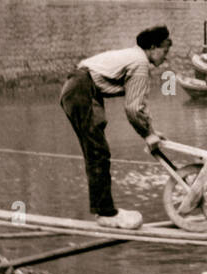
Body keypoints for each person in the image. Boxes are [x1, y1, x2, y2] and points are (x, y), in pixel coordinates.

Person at [59, 26, 173, 229]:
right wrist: (148, 135)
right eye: (164, 52)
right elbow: (133, 108)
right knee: (98, 152)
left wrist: (151, 133)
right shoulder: (140, 64)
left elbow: (137, 106)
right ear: (153, 47)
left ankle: (105, 210)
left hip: (81, 88)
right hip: (81, 90)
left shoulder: (134, 56)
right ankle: (105, 213)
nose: (166, 58)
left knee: (98, 151)